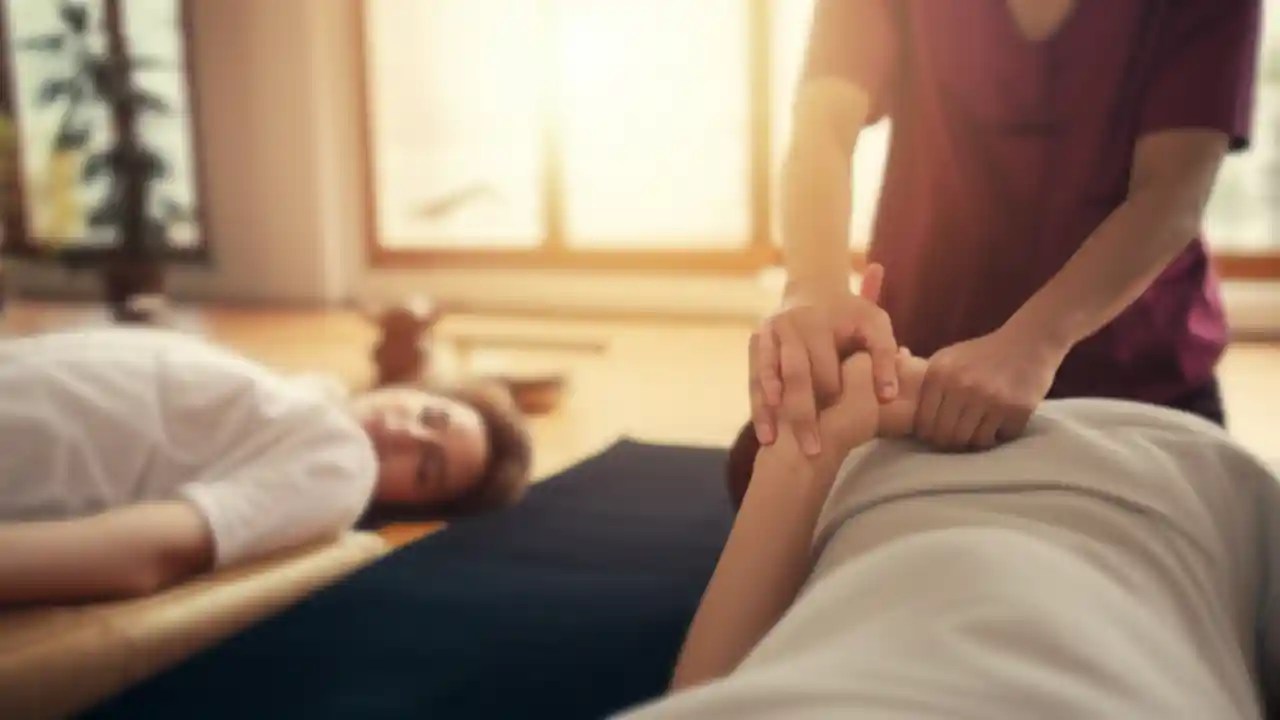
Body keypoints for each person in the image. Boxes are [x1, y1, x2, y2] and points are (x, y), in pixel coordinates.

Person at [622, 349, 1280, 718]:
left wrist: (808, 450)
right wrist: (813, 446)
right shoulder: (1175, 449)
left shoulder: (1180, 454)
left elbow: (705, 697)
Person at [752, 0, 1262, 457]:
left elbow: (1171, 193)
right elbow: (824, 124)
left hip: (1137, 382)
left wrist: (1034, 342)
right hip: (917, 370)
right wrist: (812, 287)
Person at [0, 326, 531, 605]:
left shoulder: (342, 468)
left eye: (425, 468)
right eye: (430, 416)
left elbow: (151, 553)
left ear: (407, 503)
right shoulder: (305, 395)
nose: (407, 434)